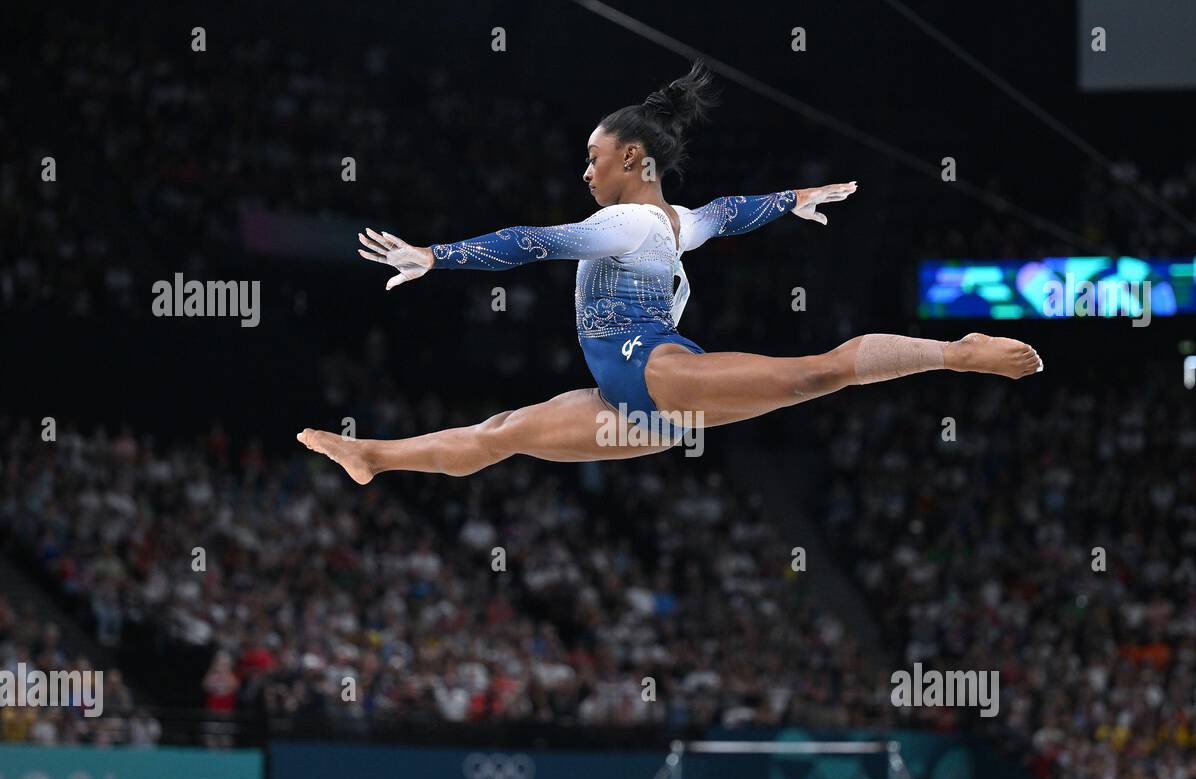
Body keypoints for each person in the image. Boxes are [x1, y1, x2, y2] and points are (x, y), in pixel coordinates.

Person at [299, 61, 1040, 483]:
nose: (584, 169)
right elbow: (728, 210)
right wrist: (790, 199)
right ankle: (371, 456)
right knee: (502, 433)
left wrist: (437, 255)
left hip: (653, 380)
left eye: (593, 156)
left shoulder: (625, 224)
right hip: (640, 413)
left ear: (630, 158)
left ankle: (957, 352)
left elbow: (531, 240)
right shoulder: (673, 224)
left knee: (814, 374)